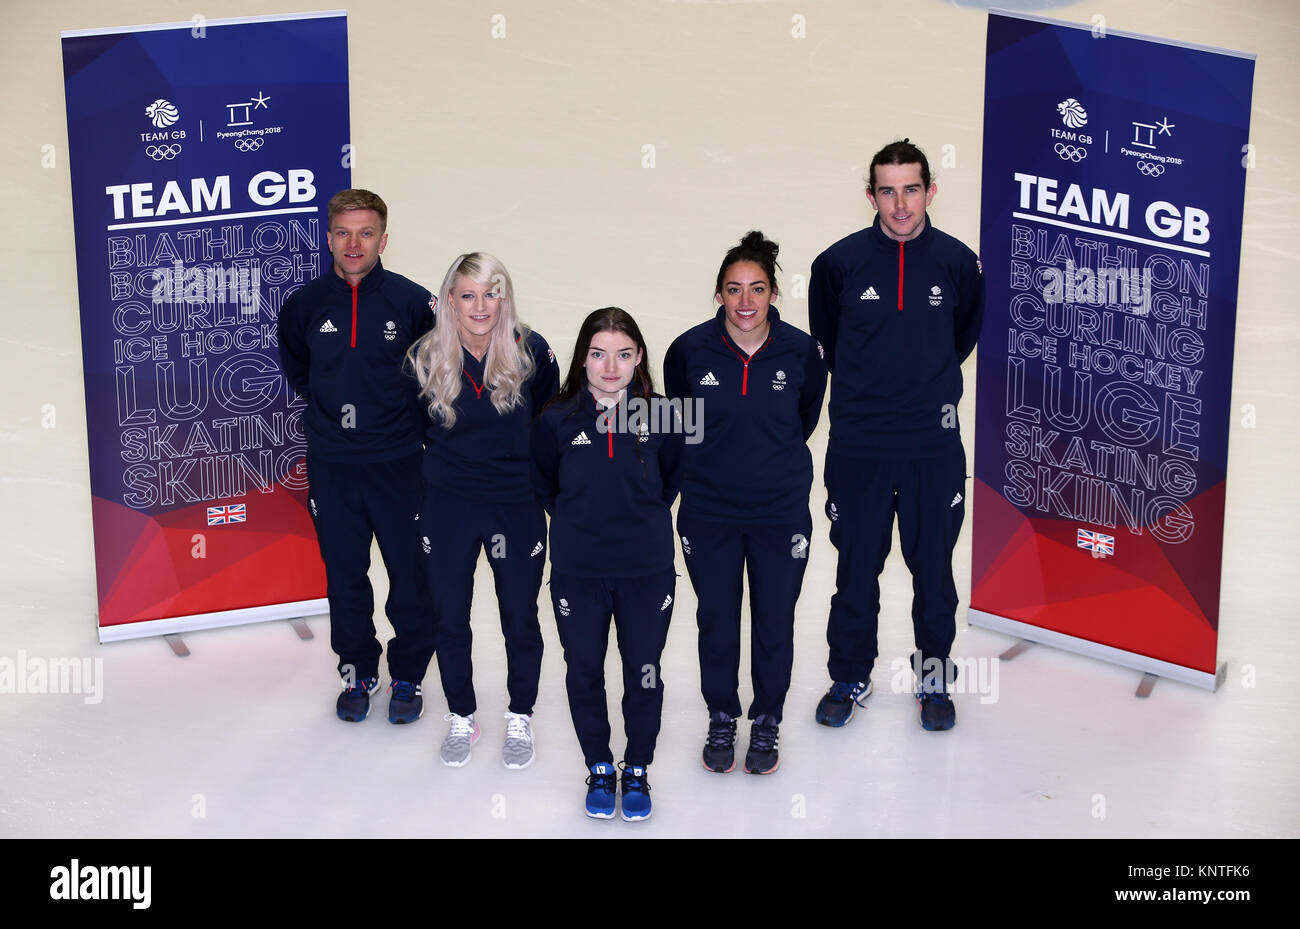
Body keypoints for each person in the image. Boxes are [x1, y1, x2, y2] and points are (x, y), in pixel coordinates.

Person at [808, 139, 985, 731]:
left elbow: (961, 338)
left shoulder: (959, 264)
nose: (901, 204)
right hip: (859, 444)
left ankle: (933, 679)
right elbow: (827, 342)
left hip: (932, 446)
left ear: (931, 192)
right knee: (856, 567)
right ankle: (850, 673)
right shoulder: (838, 265)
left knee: (933, 568)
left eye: (912, 189)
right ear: (871, 196)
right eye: (888, 190)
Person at [663, 231, 826, 775]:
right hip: (708, 511)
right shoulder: (689, 351)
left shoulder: (803, 352)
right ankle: (722, 714)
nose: (746, 301)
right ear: (717, 296)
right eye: (734, 290)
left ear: (775, 293)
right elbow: (681, 425)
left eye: (757, 289)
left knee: (774, 618)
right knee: (717, 618)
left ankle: (768, 719)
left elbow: (802, 420)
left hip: (779, 512)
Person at [277, 189, 437, 723]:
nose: (354, 243)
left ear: (383, 239)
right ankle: (357, 671)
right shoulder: (303, 305)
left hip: (400, 466)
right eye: (344, 233)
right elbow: (300, 371)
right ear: (328, 238)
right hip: (333, 466)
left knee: (409, 575)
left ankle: (408, 674)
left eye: (366, 233)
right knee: (345, 576)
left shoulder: (414, 304)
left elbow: (434, 380)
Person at [531, 308, 683, 821]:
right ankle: (599, 766)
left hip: (647, 569)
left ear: (639, 357)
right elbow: (546, 486)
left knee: (644, 671)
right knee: (584, 670)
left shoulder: (665, 414)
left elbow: (672, 482)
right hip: (579, 570)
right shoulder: (556, 418)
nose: (610, 367)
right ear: (582, 359)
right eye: (598, 354)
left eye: (622, 354)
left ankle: (637, 768)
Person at [407, 253, 559, 768]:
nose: (479, 306)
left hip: (515, 506)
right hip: (448, 506)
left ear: (505, 297)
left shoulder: (532, 352)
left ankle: (520, 714)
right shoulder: (424, 358)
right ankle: (461, 714)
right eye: (467, 295)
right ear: (450, 300)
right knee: (449, 616)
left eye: (490, 293)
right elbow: (413, 432)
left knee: (519, 616)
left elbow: (549, 428)